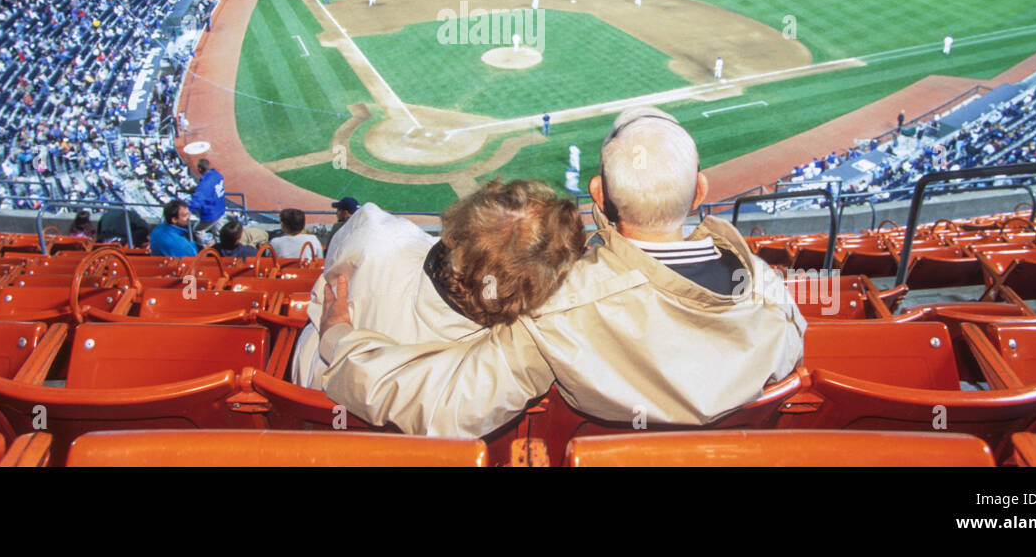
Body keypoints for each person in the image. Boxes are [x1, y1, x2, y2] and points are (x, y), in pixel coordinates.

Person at [317, 106, 805, 438]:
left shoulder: (555, 309)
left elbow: (442, 404)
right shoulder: (767, 288)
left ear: (597, 194)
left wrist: (339, 337)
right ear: (700, 191)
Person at [292, 178, 586, 391]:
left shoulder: (375, 237)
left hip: (310, 390)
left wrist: (336, 336)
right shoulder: (508, 360)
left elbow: (338, 260)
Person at [188, 158, 226, 238]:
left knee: (197, 230)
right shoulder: (217, 174)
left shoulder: (204, 186)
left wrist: (187, 212)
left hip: (211, 213)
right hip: (221, 209)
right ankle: (221, 248)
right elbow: (210, 187)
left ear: (200, 169)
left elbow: (196, 202)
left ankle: (207, 245)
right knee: (219, 233)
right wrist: (197, 188)